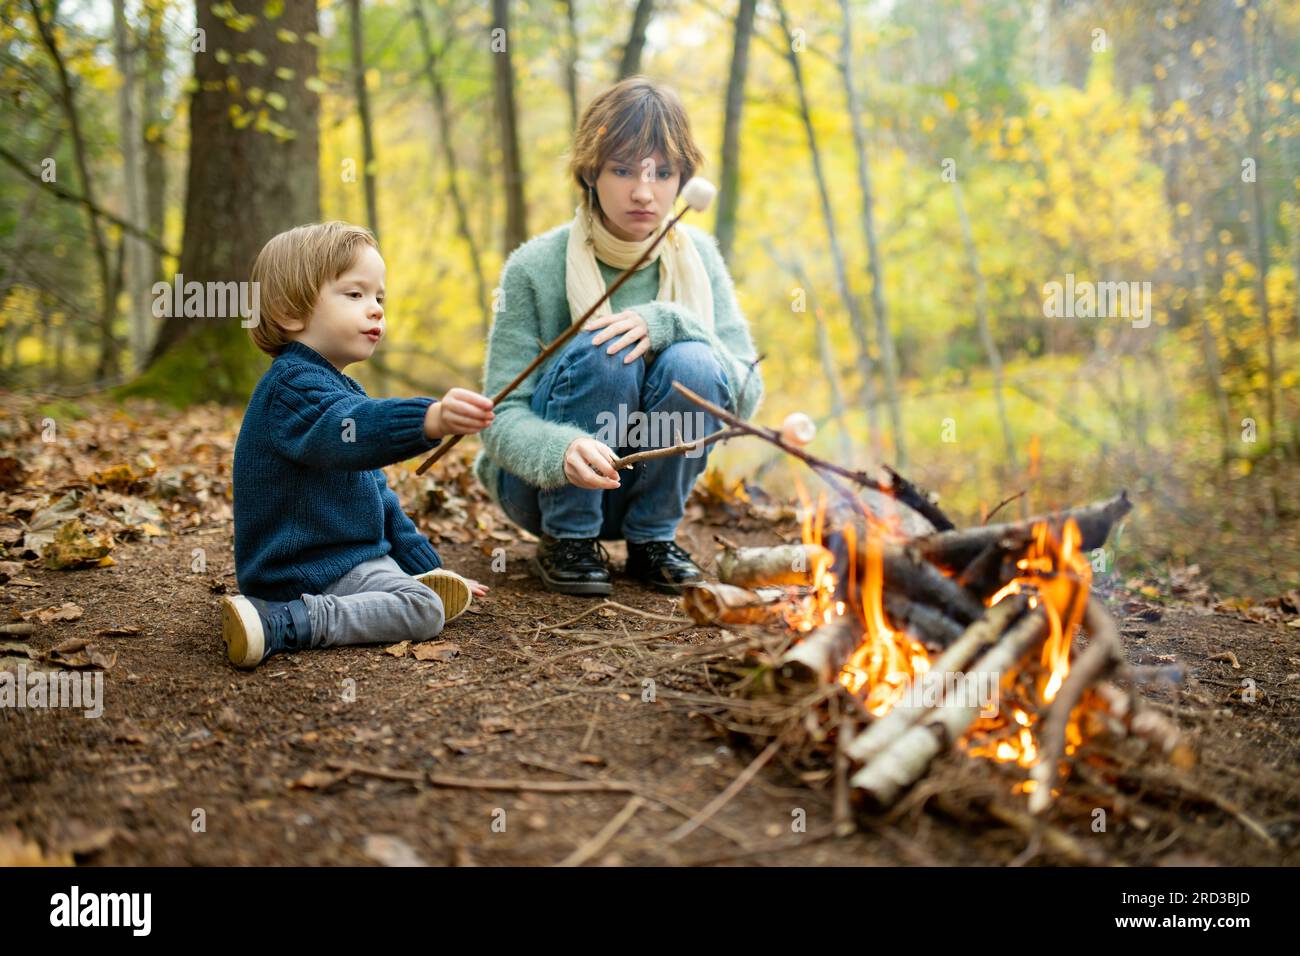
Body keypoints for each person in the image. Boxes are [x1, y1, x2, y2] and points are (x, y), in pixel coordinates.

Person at [474, 77, 764, 596]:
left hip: (647, 485)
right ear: (591, 170)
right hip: (542, 486)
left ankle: (653, 539)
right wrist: (562, 450)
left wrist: (672, 323)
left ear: (683, 180)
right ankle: (570, 539)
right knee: (606, 349)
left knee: (695, 360)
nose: (643, 192)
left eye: (663, 172)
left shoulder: (699, 258)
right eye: (623, 169)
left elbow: (744, 392)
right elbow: (498, 419)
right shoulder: (534, 267)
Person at [223, 221, 493, 668]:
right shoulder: (291, 388)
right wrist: (430, 418)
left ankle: (406, 584)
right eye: (355, 295)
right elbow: (347, 431)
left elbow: (377, 497)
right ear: (290, 311)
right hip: (298, 572)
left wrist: (425, 564)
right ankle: (284, 622)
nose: (375, 310)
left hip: (346, 563)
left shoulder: (342, 388)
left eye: (379, 297)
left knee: (421, 592)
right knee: (425, 610)